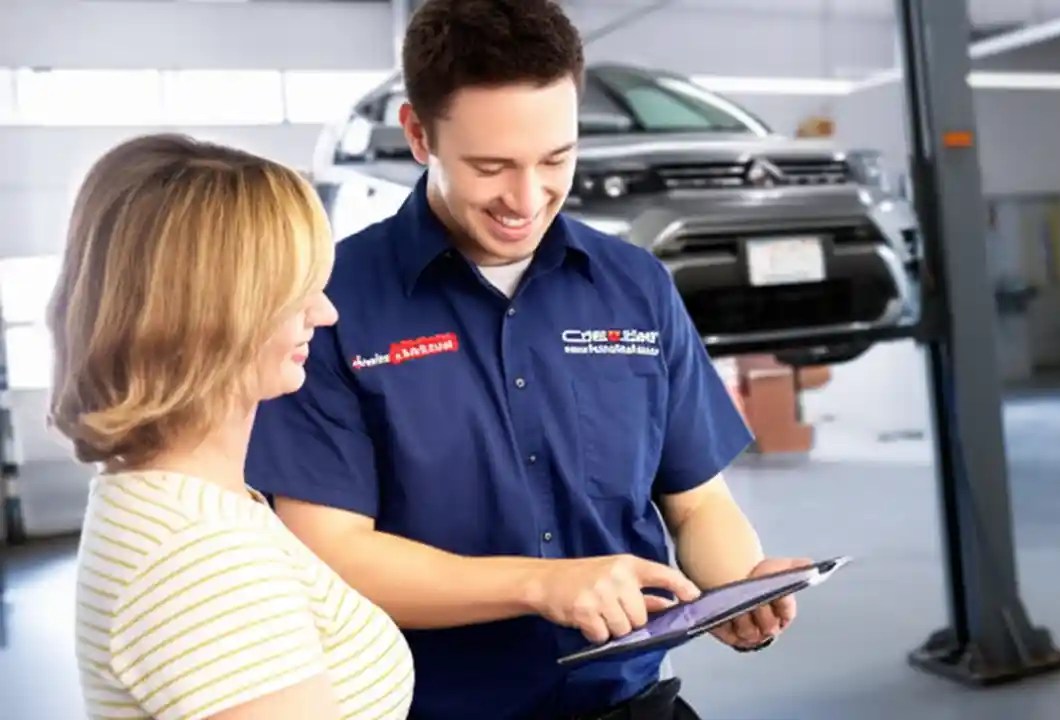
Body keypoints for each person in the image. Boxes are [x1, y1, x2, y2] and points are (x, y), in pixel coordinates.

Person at [246, 1, 810, 718]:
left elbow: (699, 504)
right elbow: (332, 554)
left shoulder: (635, 287)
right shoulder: (330, 304)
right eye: (491, 166)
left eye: (556, 159)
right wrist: (539, 584)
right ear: (419, 135)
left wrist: (736, 594)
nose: (527, 197)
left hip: (631, 704)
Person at [53, 134, 415, 720]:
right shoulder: (199, 553)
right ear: (211, 313)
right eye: (296, 294)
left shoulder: (183, 502)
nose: (325, 314)